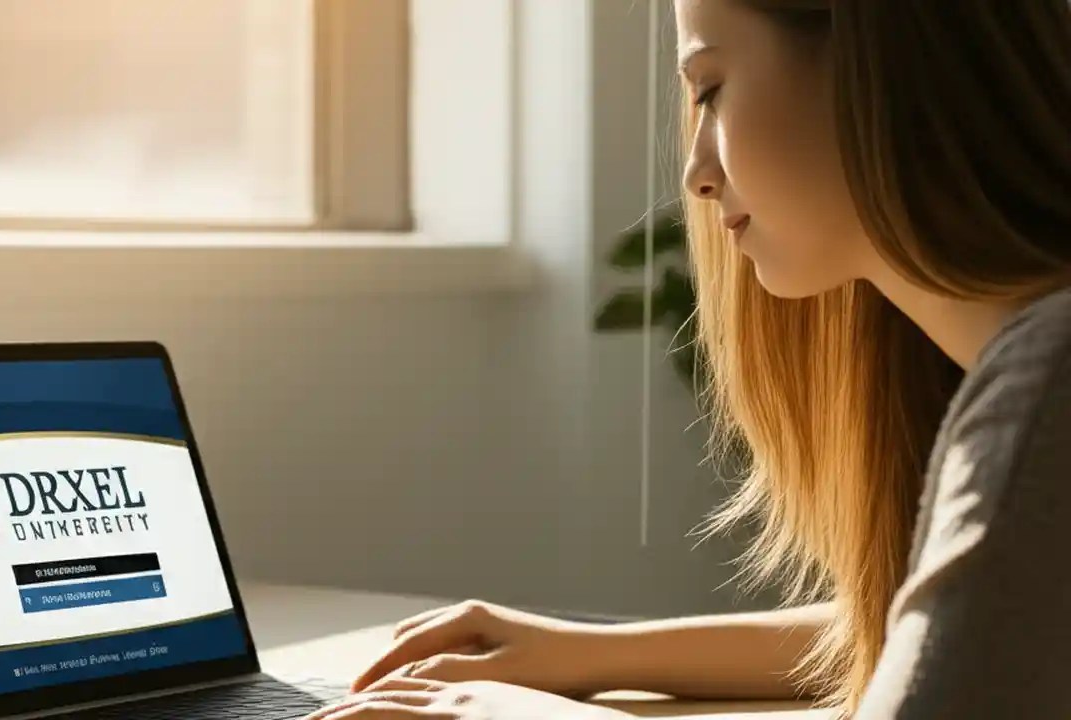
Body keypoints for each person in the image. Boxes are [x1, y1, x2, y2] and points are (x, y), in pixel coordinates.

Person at [303, 0, 1071, 718]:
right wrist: (583, 655)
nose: (696, 175)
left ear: (878, 66)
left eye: (710, 89)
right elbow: (988, 629)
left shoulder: (1050, 382)